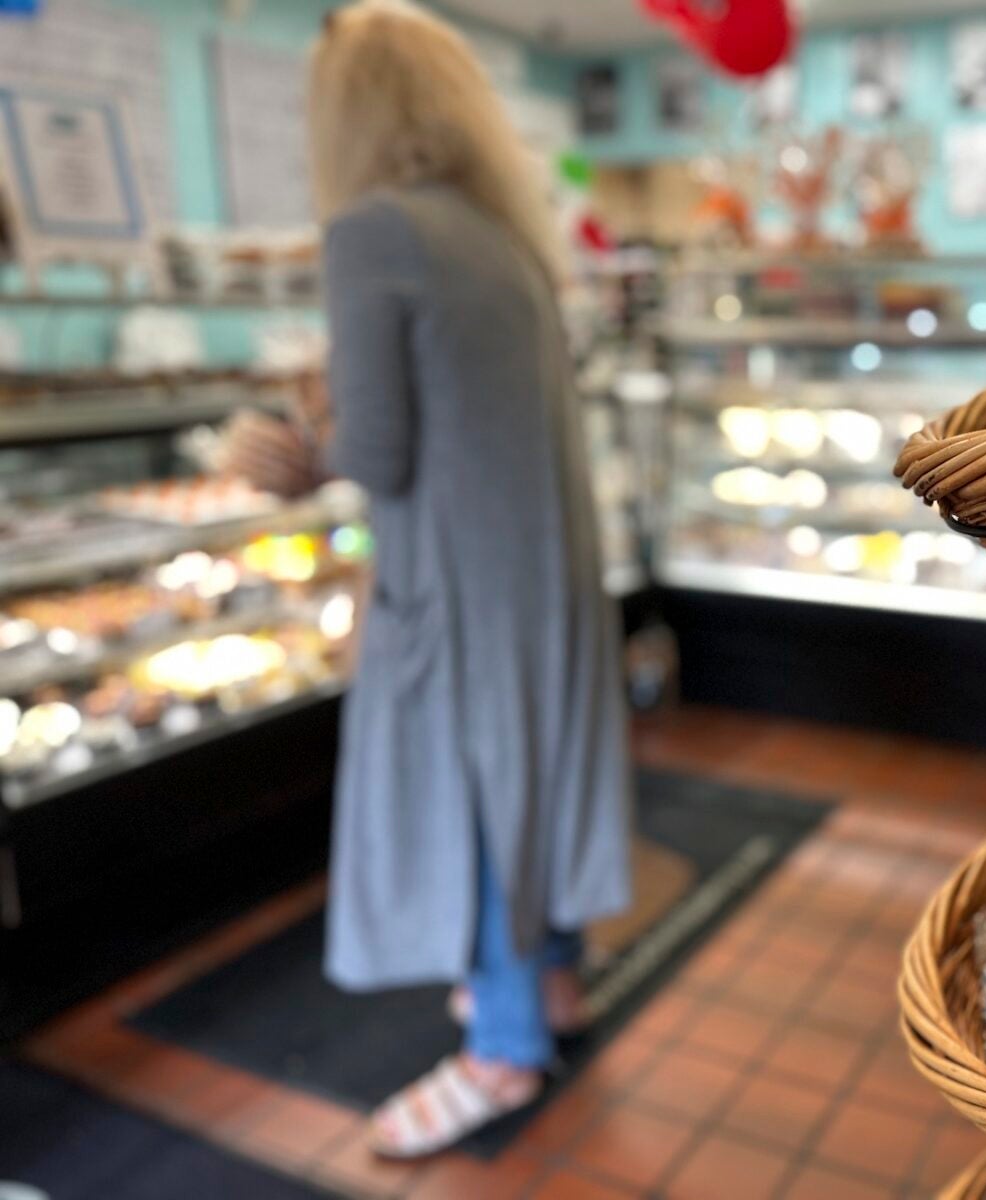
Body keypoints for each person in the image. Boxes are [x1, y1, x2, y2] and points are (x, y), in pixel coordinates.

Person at [218, 0, 632, 1158]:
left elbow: (385, 453)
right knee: (535, 769)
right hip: (543, 571)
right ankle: (552, 980)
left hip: (454, 589)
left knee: (471, 805)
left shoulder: (373, 232)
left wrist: (304, 452)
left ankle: (502, 1051)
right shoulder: (505, 235)